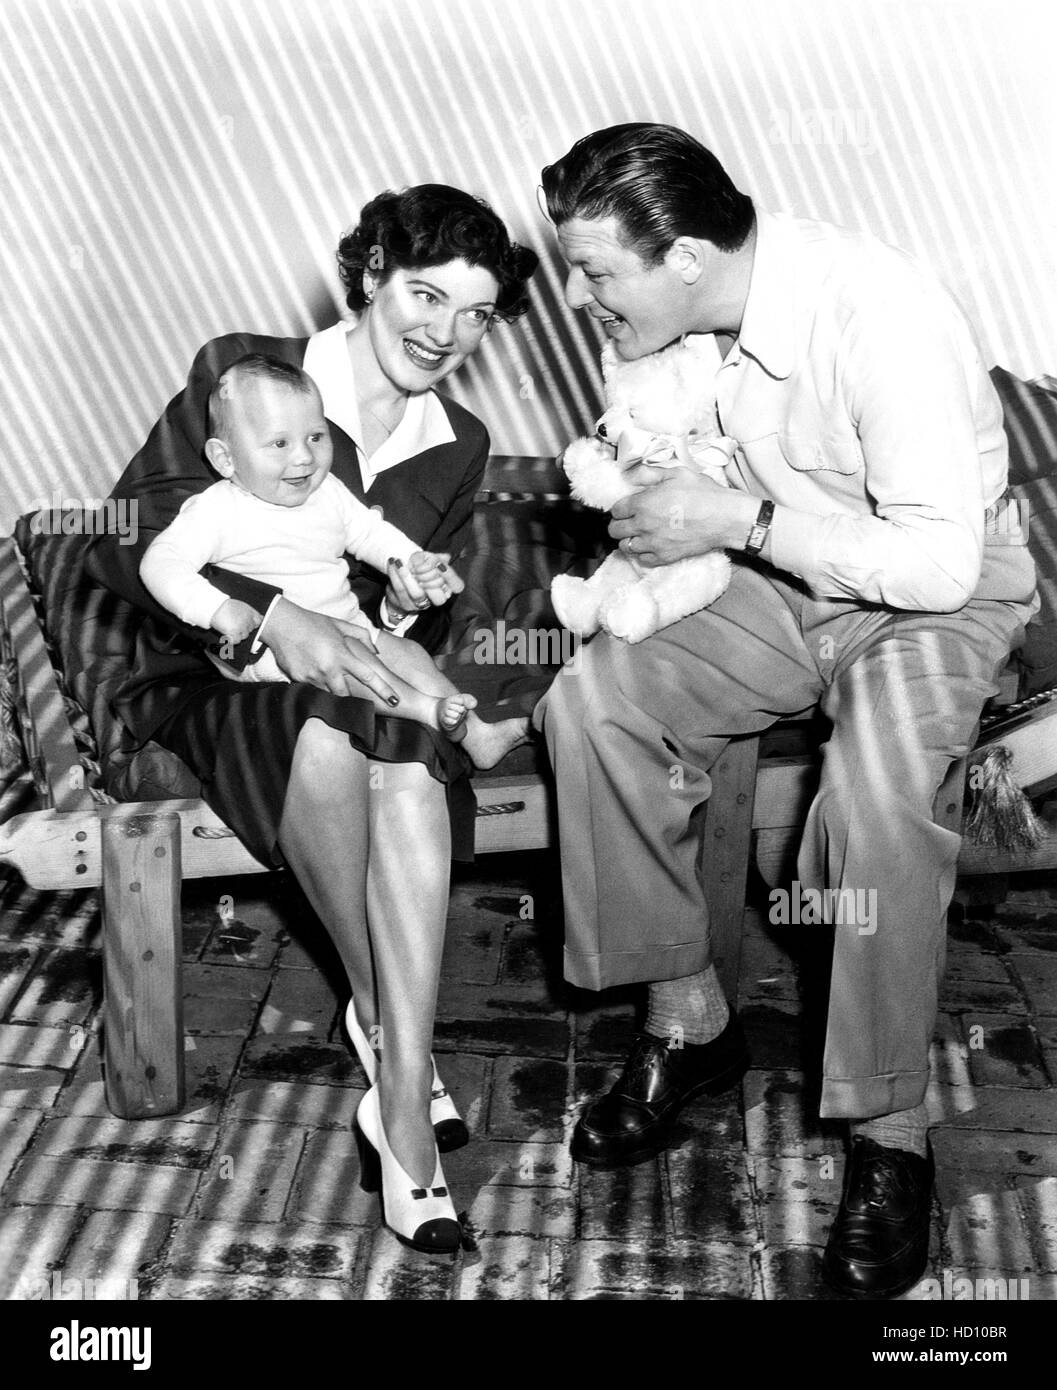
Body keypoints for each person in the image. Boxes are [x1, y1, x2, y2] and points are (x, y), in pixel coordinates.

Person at [533, 124, 1037, 1297]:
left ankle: (891, 1133)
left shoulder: (879, 316)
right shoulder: (679, 326)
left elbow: (935, 569)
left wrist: (739, 525)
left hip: (930, 602)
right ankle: (689, 1018)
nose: (574, 294)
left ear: (691, 256)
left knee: (872, 799)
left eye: (596, 270)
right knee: (593, 704)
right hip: (788, 588)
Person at [88, 185, 538, 1253]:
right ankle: (396, 1040)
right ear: (373, 271)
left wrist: (416, 594)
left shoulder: (458, 437)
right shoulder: (245, 368)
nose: (445, 333)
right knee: (337, 743)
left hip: (360, 670)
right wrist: (273, 615)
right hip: (216, 675)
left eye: (474, 314)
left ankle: (398, 1087)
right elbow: (126, 536)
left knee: (413, 764)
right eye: (426, 295)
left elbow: (404, 586)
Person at [140, 352, 527, 768]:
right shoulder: (217, 510)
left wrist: (412, 561)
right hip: (274, 654)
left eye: (316, 437)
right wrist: (215, 609)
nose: (304, 457)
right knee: (357, 672)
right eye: (279, 443)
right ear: (225, 459)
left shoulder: (326, 492)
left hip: (348, 627)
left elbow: (368, 533)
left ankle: (478, 735)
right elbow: (159, 563)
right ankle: (426, 711)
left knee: (409, 655)